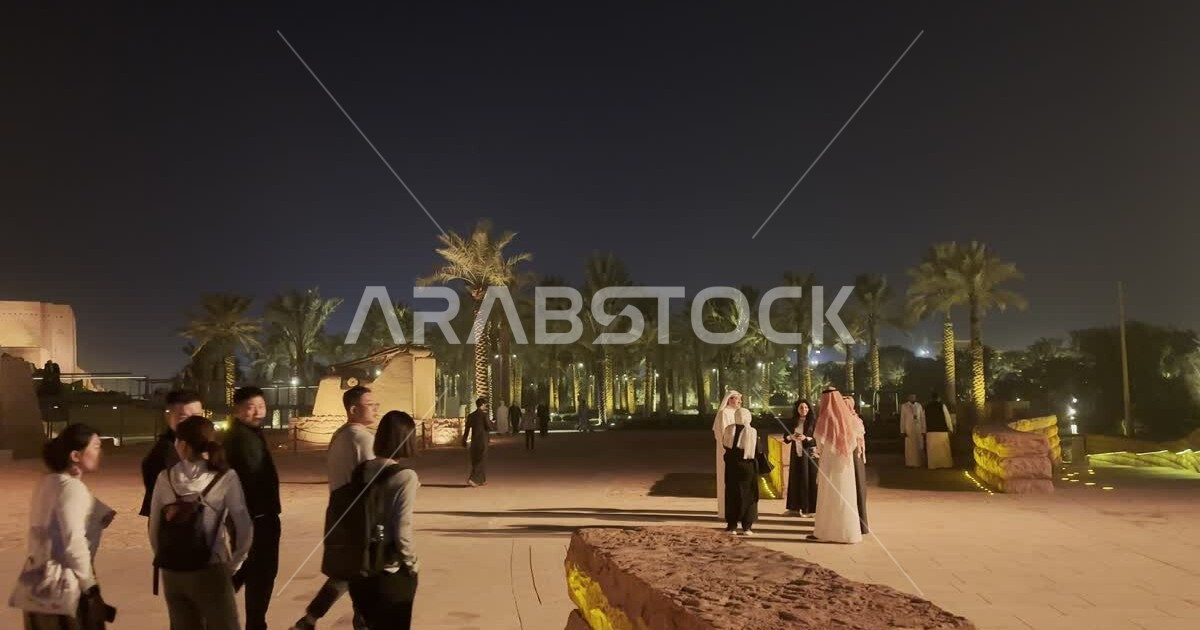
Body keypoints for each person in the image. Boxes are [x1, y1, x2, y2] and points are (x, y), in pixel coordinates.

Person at [150, 416, 253, 630]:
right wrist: (234, 564)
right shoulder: (225, 477)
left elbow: (154, 528)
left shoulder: (164, 478)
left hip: (173, 573)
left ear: (182, 445)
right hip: (211, 568)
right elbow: (244, 526)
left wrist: (168, 557)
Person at [13, 424, 117, 630]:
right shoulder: (72, 488)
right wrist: (90, 588)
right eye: (95, 446)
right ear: (76, 455)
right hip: (64, 590)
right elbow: (73, 542)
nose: (100, 452)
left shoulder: (47, 483)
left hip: (35, 583)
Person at [292, 386, 379, 630]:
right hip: (358, 515)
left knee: (346, 573)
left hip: (340, 510)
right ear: (353, 409)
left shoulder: (341, 434)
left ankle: (308, 621)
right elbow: (373, 481)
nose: (375, 407)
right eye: (369, 403)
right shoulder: (361, 437)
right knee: (363, 575)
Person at [347, 411, 420, 629]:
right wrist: (412, 563)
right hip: (390, 570)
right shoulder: (406, 476)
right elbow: (402, 529)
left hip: (360, 568)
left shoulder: (361, 470)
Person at [224, 386, 281, 630]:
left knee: (247, 569)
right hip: (256, 517)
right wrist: (257, 516)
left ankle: (212, 612)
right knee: (261, 573)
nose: (258, 412)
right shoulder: (242, 438)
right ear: (238, 410)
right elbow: (252, 479)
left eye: (261, 406)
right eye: (250, 407)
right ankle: (254, 624)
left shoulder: (249, 433)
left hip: (253, 516)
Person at [810, 389, 863, 544]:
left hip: (829, 463)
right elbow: (854, 441)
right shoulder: (848, 419)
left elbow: (819, 442)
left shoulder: (824, 419)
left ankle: (826, 533)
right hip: (845, 465)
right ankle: (847, 534)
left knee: (828, 497)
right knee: (845, 496)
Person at [141, 390, 204, 518]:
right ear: (168, 416)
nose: (192, 422)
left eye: (197, 416)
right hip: (179, 525)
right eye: (183, 417)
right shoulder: (164, 453)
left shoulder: (201, 444)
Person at [721, 403, 764, 535]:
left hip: (732, 467)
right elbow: (758, 451)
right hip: (748, 468)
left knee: (732, 494)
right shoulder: (752, 432)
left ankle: (732, 526)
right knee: (749, 496)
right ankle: (747, 526)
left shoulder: (728, 429)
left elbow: (725, 446)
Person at [782, 399, 817, 517]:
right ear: (797, 409)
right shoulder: (793, 422)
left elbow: (816, 439)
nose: (804, 410)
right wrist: (790, 437)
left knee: (807, 480)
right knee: (794, 479)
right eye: (801, 408)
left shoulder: (813, 422)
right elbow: (785, 437)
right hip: (795, 453)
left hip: (808, 454)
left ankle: (808, 509)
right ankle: (794, 508)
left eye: (806, 408)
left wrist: (806, 438)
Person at [710, 390, 742, 520]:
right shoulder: (724, 413)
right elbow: (723, 434)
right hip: (727, 450)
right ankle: (724, 510)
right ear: (729, 400)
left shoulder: (738, 413)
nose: (739, 401)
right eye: (736, 399)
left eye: (740, 399)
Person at [844, 395, 870, 535]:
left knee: (857, 489)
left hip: (854, 456)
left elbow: (857, 440)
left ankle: (860, 524)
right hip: (851, 456)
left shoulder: (854, 420)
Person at [462, 397, 491, 487]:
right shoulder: (484, 415)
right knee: (481, 459)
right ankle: (472, 479)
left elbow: (467, 429)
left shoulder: (471, 415)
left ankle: (482, 479)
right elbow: (489, 427)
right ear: (482, 405)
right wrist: (492, 424)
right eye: (485, 405)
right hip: (482, 440)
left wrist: (464, 440)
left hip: (474, 441)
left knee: (475, 459)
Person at [925, 391, 955, 469]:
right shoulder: (942, 406)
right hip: (942, 430)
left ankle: (933, 465)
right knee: (943, 449)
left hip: (931, 431)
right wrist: (950, 428)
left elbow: (923, 420)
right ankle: (945, 464)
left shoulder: (926, 407)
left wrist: (924, 430)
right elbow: (947, 418)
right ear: (939, 398)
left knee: (932, 450)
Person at [899, 393, 926, 468]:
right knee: (910, 447)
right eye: (911, 396)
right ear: (908, 397)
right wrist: (902, 430)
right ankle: (910, 463)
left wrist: (923, 430)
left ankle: (918, 463)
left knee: (918, 446)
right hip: (909, 429)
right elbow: (902, 419)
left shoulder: (919, 406)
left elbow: (922, 418)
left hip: (918, 428)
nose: (912, 398)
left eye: (914, 396)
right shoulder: (904, 406)